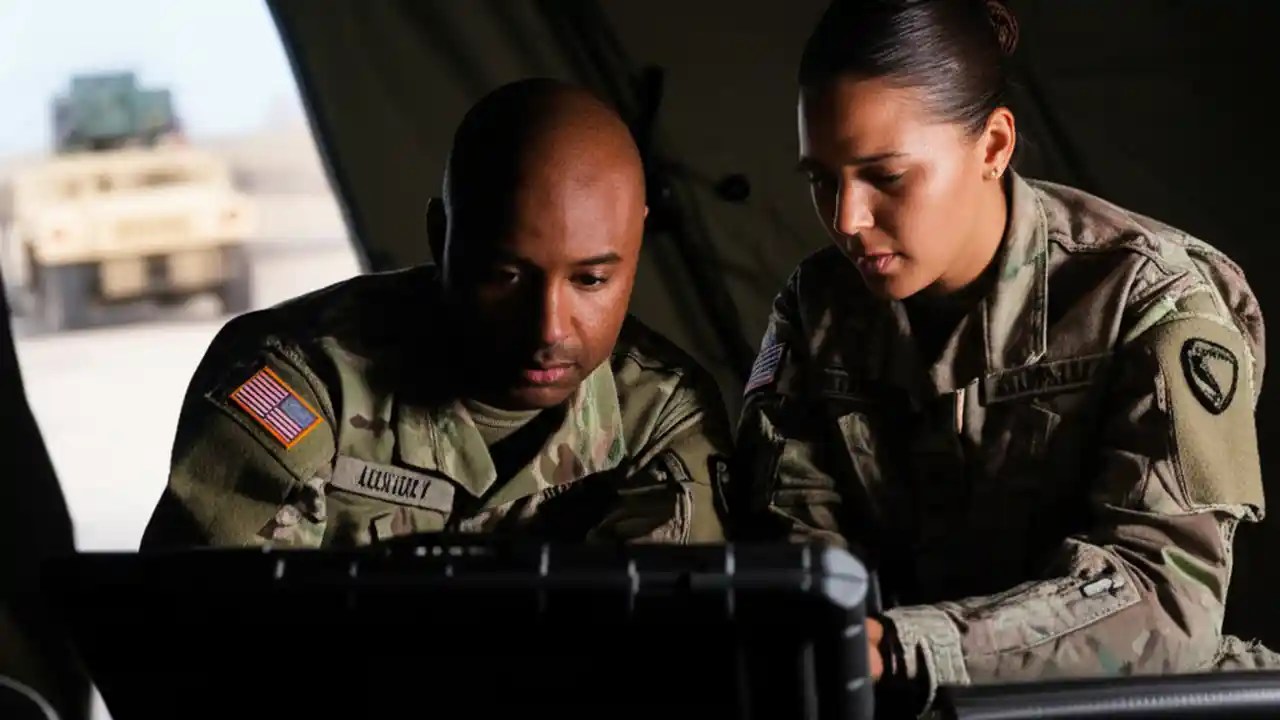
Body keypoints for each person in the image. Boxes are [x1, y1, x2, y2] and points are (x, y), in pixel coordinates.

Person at [731, 0, 1279, 714]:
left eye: (886, 177)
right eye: (821, 180)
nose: (846, 219)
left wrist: (901, 646)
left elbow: (1166, 604)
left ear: (993, 146)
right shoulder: (818, 310)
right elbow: (791, 550)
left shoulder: (1150, 300)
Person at [140, 78, 731, 549]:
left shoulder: (660, 419)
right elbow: (191, 655)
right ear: (438, 238)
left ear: (636, 248)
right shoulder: (304, 389)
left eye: (591, 279)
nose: (548, 328)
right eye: (507, 276)